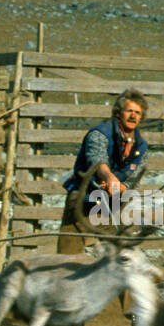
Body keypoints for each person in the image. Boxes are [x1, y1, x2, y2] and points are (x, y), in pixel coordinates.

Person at [57, 89, 149, 255]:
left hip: (111, 204)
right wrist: (109, 178)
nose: (133, 116)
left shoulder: (141, 146)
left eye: (137, 112)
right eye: (129, 111)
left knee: (120, 252)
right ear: (118, 113)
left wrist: (123, 188)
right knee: (68, 253)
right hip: (82, 199)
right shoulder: (99, 134)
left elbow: (135, 177)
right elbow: (97, 160)